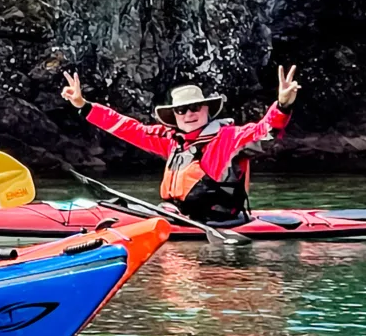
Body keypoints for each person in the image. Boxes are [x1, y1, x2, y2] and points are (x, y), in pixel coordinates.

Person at [63, 66, 300, 223]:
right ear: (174, 115)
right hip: (176, 216)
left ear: (207, 109)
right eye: (181, 110)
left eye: (195, 107)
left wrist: (282, 106)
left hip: (219, 220)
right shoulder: (170, 140)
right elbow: (127, 127)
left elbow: (265, 132)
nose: (189, 114)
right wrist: (84, 106)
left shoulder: (231, 138)